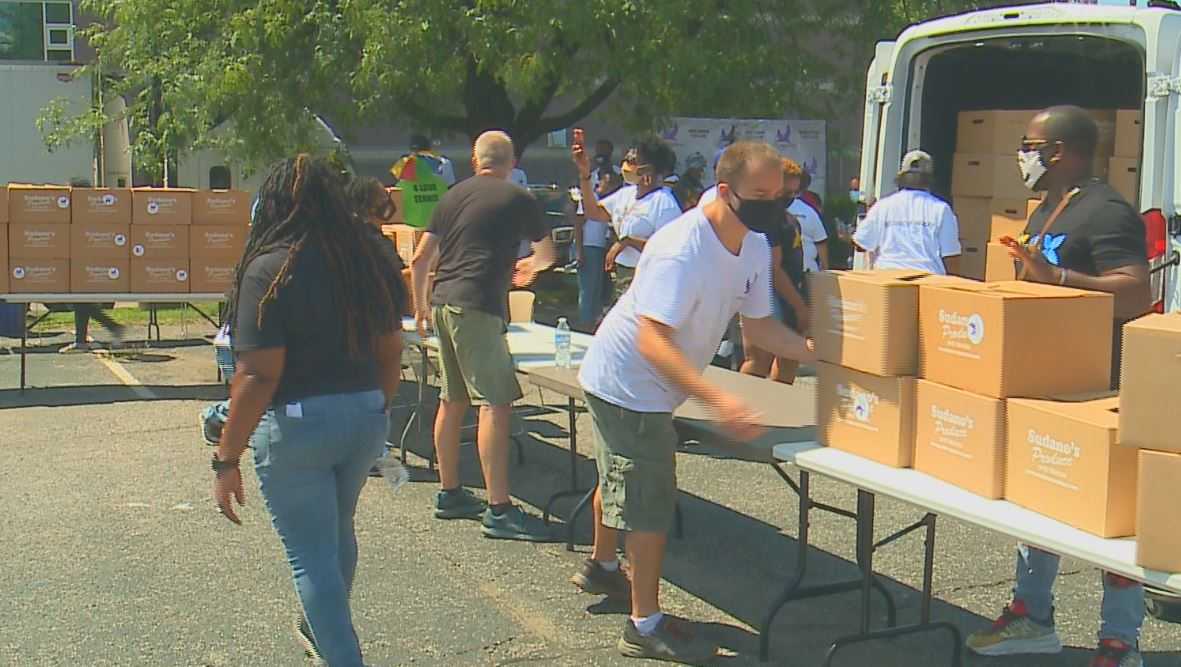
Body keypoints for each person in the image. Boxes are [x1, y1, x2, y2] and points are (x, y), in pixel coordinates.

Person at [572, 141, 816, 663]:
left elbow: (762, 327)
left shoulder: (751, 241)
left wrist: (820, 352)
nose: (774, 204)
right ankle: (643, 624)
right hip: (629, 384)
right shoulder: (682, 245)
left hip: (650, 383)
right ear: (725, 192)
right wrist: (715, 397)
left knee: (621, 475)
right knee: (648, 502)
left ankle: (602, 567)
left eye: (781, 194)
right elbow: (651, 340)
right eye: (761, 194)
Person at [966, 106, 1152, 667]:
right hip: (1045, 381)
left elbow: (1136, 293)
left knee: (1111, 517)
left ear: (1060, 151)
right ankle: (1031, 616)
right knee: (1040, 500)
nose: (1023, 153)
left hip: (1098, 388)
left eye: (1031, 144)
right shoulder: (1051, 206)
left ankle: (1119, 643)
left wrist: (1061, 278)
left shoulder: (1108, 210)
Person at [211, 155, 407, 667]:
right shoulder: (365, 259)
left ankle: (340, 653)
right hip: (364, 414)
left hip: (298, 425)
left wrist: (226, 458)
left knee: (311, 557)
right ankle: (321, 627)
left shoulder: (268, 268)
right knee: (338, 531)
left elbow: (258, 375)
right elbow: (391, 350)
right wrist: (376, 411)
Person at [411, 130, 559, 541]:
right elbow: (546, 254)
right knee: (495, 403)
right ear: (512, 164)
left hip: (444, 303)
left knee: (453, 399)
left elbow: (422, 257)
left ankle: (450, 492)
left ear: (475, 162)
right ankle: (499, 509)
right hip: (477, 305)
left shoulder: (452, 195)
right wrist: (531, 268)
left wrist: (421, 306)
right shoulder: (517, 198)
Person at [574, 135, 681, 301]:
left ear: (648, 170)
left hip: (648, 280)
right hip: (623, 275)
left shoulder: (664, 204)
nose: (626, 165)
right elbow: (593, 212)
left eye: (633, 161)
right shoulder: (626, 194)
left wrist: (628, 241)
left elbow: (667, 251)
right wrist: (585, 176)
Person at [852, 150, 962, 275]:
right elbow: (951, 257)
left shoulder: (883, 206)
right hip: (926, 280)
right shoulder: (941, 210)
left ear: (901, 177)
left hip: (887, 278)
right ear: (929, 179)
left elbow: (860, 244)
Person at [573, 170, 622, 329]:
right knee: (588, 287)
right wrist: (579, 251)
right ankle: (585, 322)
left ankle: (594, 321)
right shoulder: (590, 199)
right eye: (609, 184)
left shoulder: (609, 201)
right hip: (588, 246)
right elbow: (579, 225)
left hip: (601, 247)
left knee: (597, 287)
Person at [787, 167, 829, 274]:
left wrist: (825, 272)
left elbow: (821, 241)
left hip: (807, 272)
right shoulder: (772, 209)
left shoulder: (809, 212)